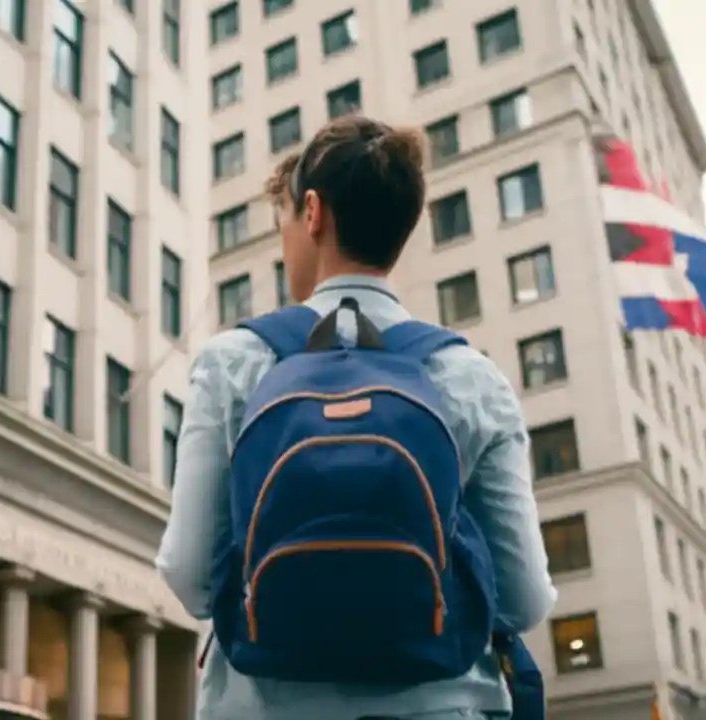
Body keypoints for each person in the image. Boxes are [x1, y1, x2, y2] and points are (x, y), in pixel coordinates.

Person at [156, 114, 557, 720]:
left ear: (312, 213)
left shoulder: (232, 363)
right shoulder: (474, 378)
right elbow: (524, 600)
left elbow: (189, 577)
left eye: (285, 221)